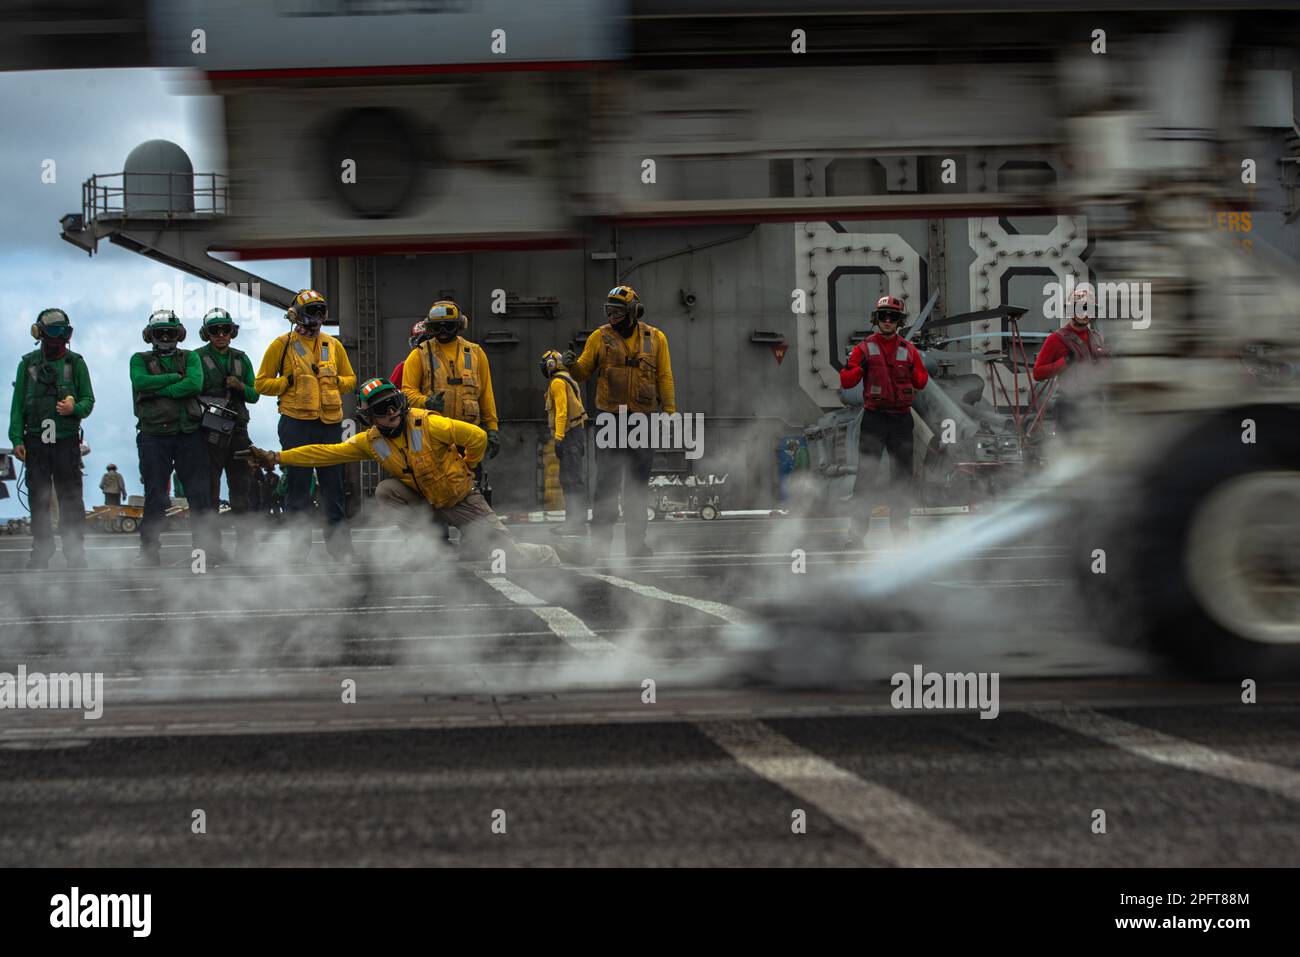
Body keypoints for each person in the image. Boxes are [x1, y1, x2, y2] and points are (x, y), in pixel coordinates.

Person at [238, 377, 560, 568]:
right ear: (369, 417)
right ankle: (429, 546)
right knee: (386, 491)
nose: (390, 412)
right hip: (427, 504)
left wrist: (468, 465)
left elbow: (475, 438)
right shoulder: (370, 441)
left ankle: (550, 556)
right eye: (380, 409)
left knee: (509, 556)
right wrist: (275, 456)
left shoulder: (429, 423)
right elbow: (326, 453)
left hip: (460, 499)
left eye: (392, 403)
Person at [562, 284, 676, 558]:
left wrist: (670, 411)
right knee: (606, 484)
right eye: (609, 311)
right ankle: (601, 546)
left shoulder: (656, 338)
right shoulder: (599, 338)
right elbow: (583, 372)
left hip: (642, 420)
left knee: (637, 485)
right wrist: (571, 365)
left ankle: (636, 545)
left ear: (634, 311)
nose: (612, 316)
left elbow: (664, 376)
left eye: (618, 311)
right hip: (610, 419)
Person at [254, 289, 356, 562]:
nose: (317, 317)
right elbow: (261, 383)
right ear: (296, 315)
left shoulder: (332, 346)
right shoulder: (282, 344)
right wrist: (286, 382)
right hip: (296, 424)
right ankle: (298, 552)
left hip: (330, 424)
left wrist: (334, 381)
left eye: (320, 311)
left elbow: (350, 379)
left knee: (333, 489)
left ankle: (340, 550)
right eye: (311, 311)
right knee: (297, 489)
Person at [130, 310, 225, 566]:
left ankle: (204, 551)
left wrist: (159, 389)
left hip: (188, 435)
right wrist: (175, 379)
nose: (164, 337)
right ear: (149, 336)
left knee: (199, 496)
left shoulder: (191, 357)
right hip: (153, 436)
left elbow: (194, 384)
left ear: (178, 334)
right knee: (155, 497)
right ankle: (149, 552)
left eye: (169, 333)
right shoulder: (138, 360)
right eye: (159, 333)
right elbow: (140, 382)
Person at [839, 294, 929, 549]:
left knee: (902, 479)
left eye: (892, 317)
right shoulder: (864, 349)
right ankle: (856, 536)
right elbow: (847, 381)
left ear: (899, 322)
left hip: (901, 420)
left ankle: (900, 535)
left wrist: (915, 369)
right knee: (865, 478)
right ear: (876, 319)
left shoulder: (909, 350)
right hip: (874, 420)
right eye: (883, 316)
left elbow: (921, 381)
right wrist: (858, 368)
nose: (887, 320)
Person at [9, 308, 95, 569]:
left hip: (66, 441)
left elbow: (88, 400)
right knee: (39, 498)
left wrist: (74, 409)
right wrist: (16, 439)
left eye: (62, 332)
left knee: (71, 498)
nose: (58, 338)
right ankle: (41, 552)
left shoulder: (76, 363)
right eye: (53, 332)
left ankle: (74, 552)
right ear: (40, 333)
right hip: (35, 441)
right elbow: (18, 406)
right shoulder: (28, 364)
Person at [195, 308, 260, 559]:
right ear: (207, 333)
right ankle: (211, 548)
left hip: (238, 431)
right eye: (215, 330)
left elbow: (254, 395)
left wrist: (239, 386)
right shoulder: (196, 358)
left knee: (241, 490)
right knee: (209, 490)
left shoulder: (241, 359)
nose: (221, 334)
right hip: (208, 432)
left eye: (225, 329)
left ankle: (246, 545)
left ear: (232, 332)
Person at [399, 301, 500, 459]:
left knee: (470, 479)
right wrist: (426, 402)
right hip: (433, 436)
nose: (443, 331)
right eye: (437, 327)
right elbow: (406, 393)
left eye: (448, 326)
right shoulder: (418, 354)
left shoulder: (476, 353)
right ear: (430, 328)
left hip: (468, 435)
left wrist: (492, 428)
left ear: (459, 325)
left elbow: (486, 395)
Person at [1032, 287, 1110, 432]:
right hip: (1069, 407)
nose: (1085, 313)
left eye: (1089, 309)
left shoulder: (1098, 338)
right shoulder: (1055, 339)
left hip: (1095, 405)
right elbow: (1038, 373)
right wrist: (1064, 362)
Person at [540, 349, 588, 537]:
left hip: (568, 436)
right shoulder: (569, 379)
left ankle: (575, 523)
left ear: (551, 364)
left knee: (571, 481)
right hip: (575, 434)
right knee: (573, 480)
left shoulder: (558, 382)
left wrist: (558, 438)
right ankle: (575, 522)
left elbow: (562, 411)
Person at [390, 320, 435, 390]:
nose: (426, 346)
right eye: (422, 341)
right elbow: (392, 393)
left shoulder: (448, 363)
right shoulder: (403, 367)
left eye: (430, 341)